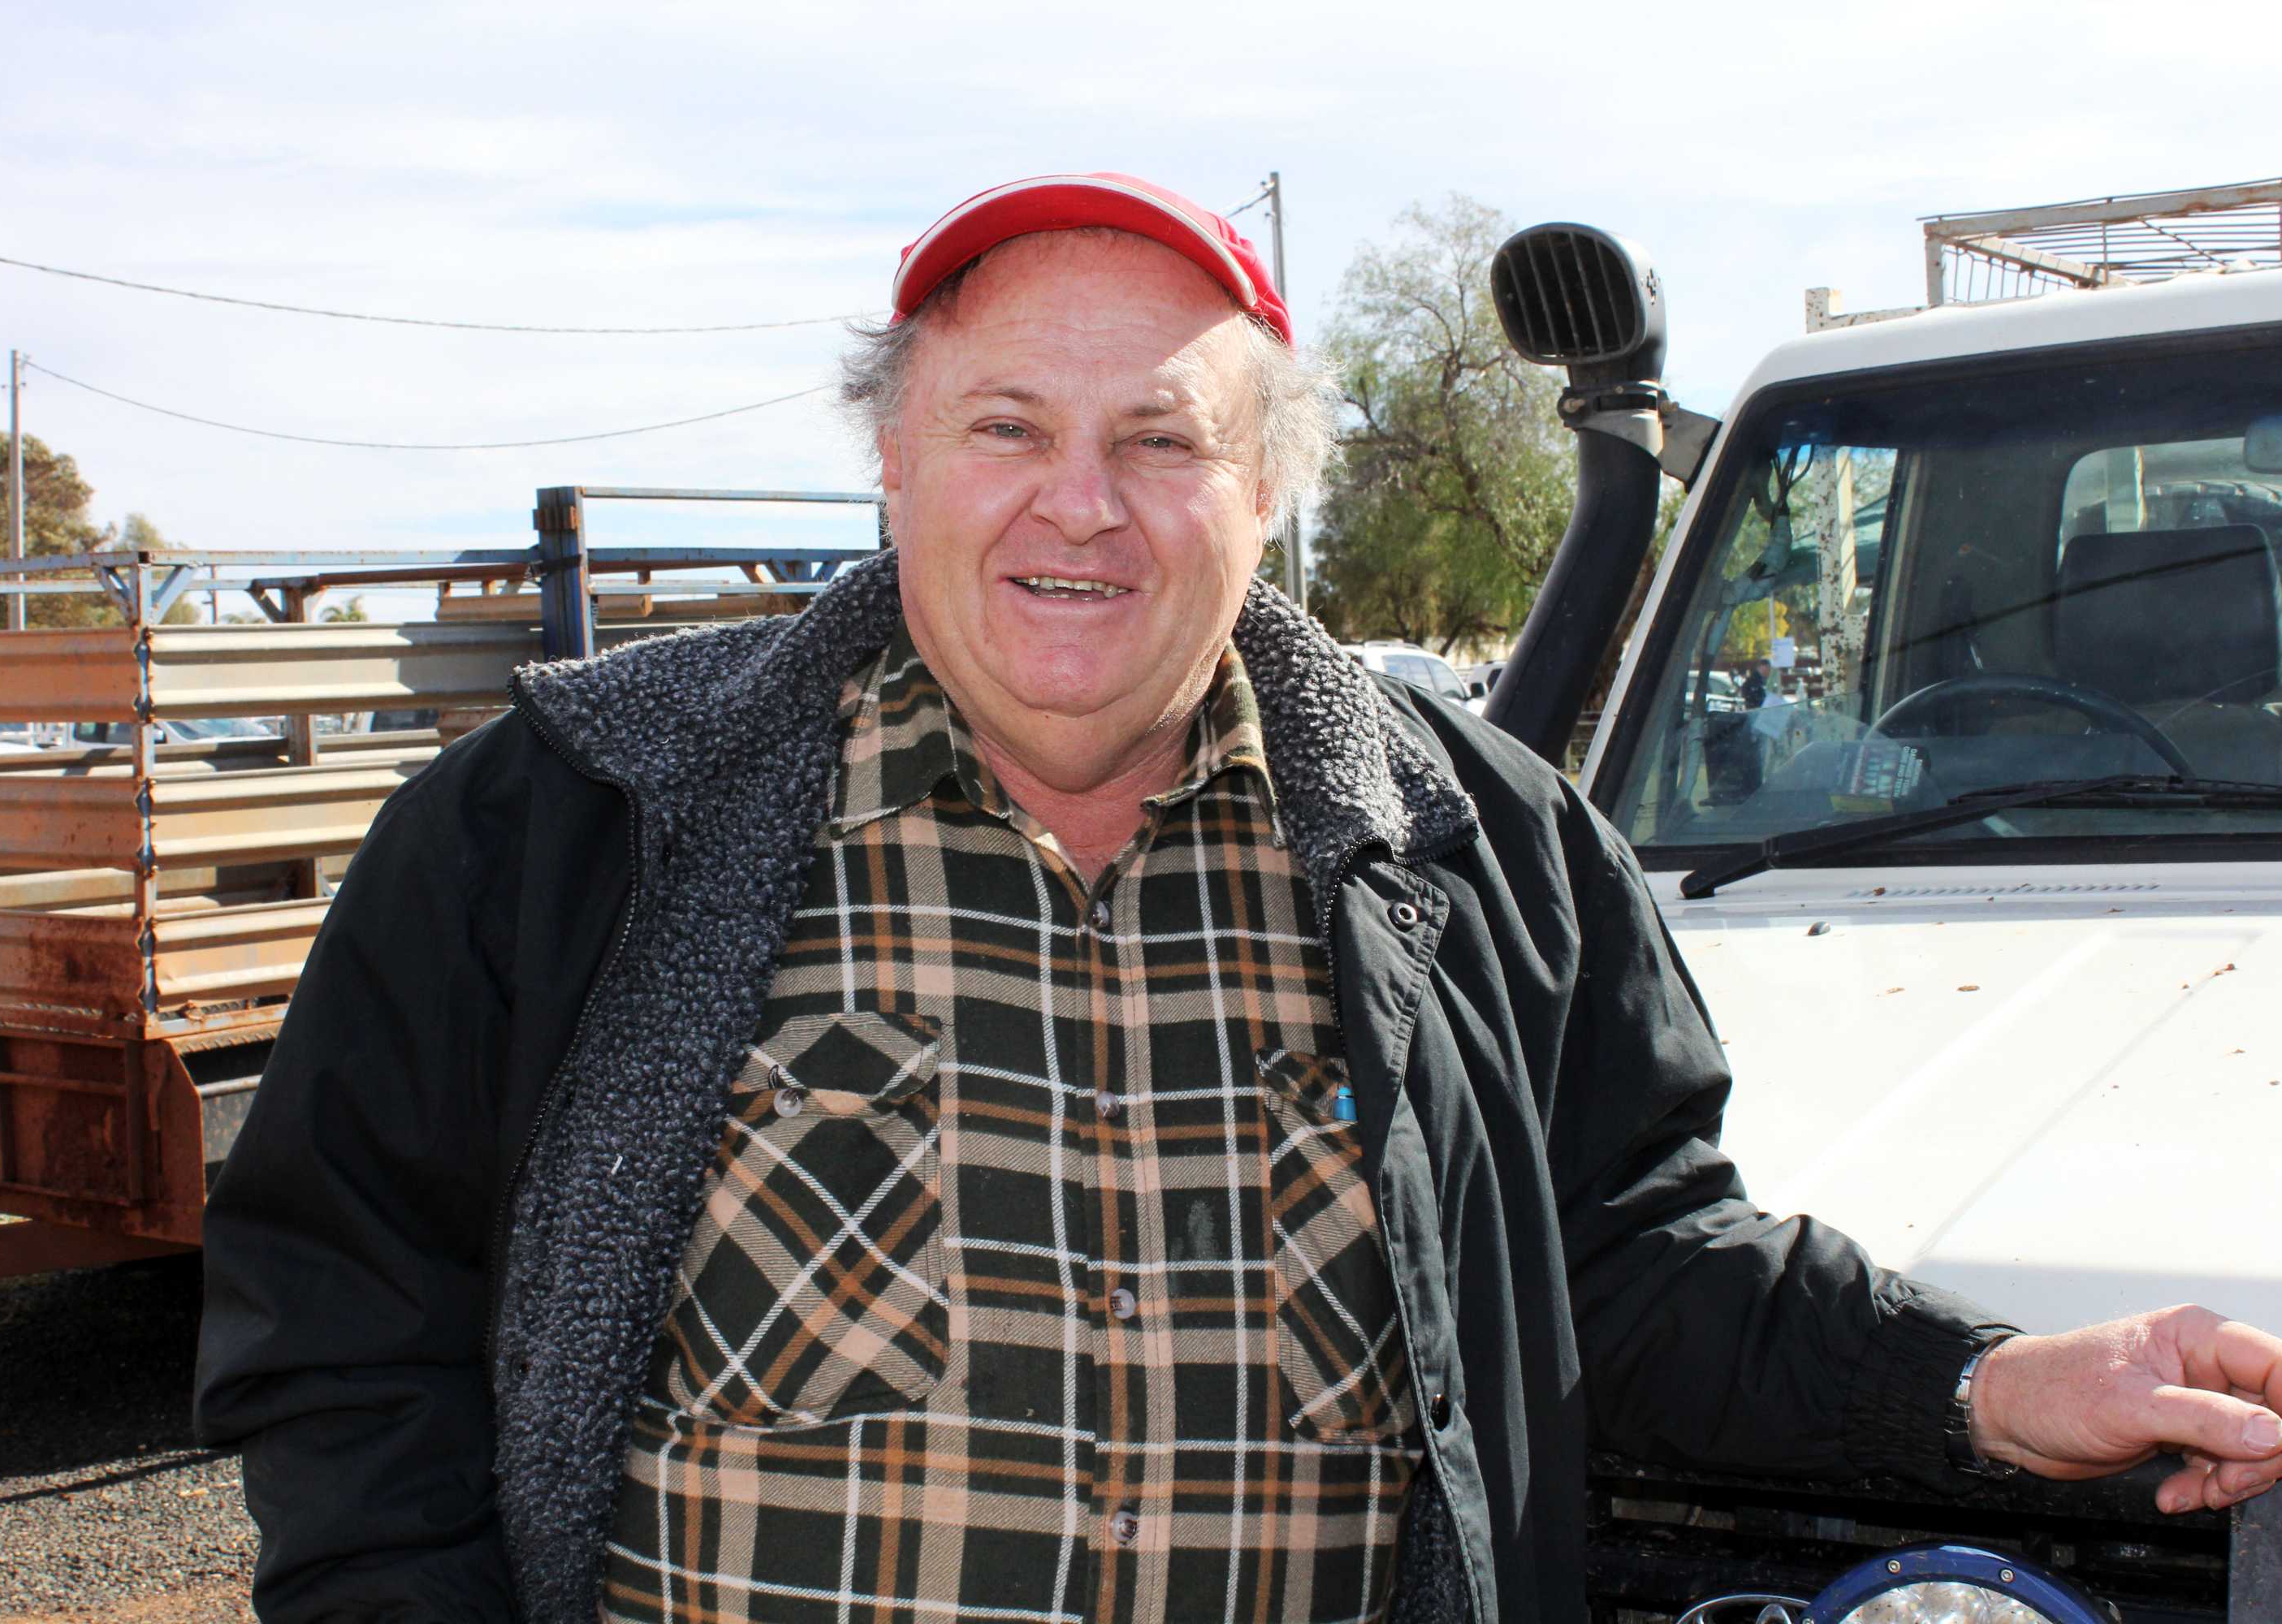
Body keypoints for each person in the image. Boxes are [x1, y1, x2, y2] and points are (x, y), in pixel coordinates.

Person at [195, 172, 2282, 1624]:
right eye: (1003, 424)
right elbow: (344, 1334)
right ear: (896, 463)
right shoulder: (563, 823)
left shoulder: (1484, 849)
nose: (1077, 502)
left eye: (1160, 439)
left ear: (1268, 491)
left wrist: (1985, 1384)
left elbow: (1630, 1271)